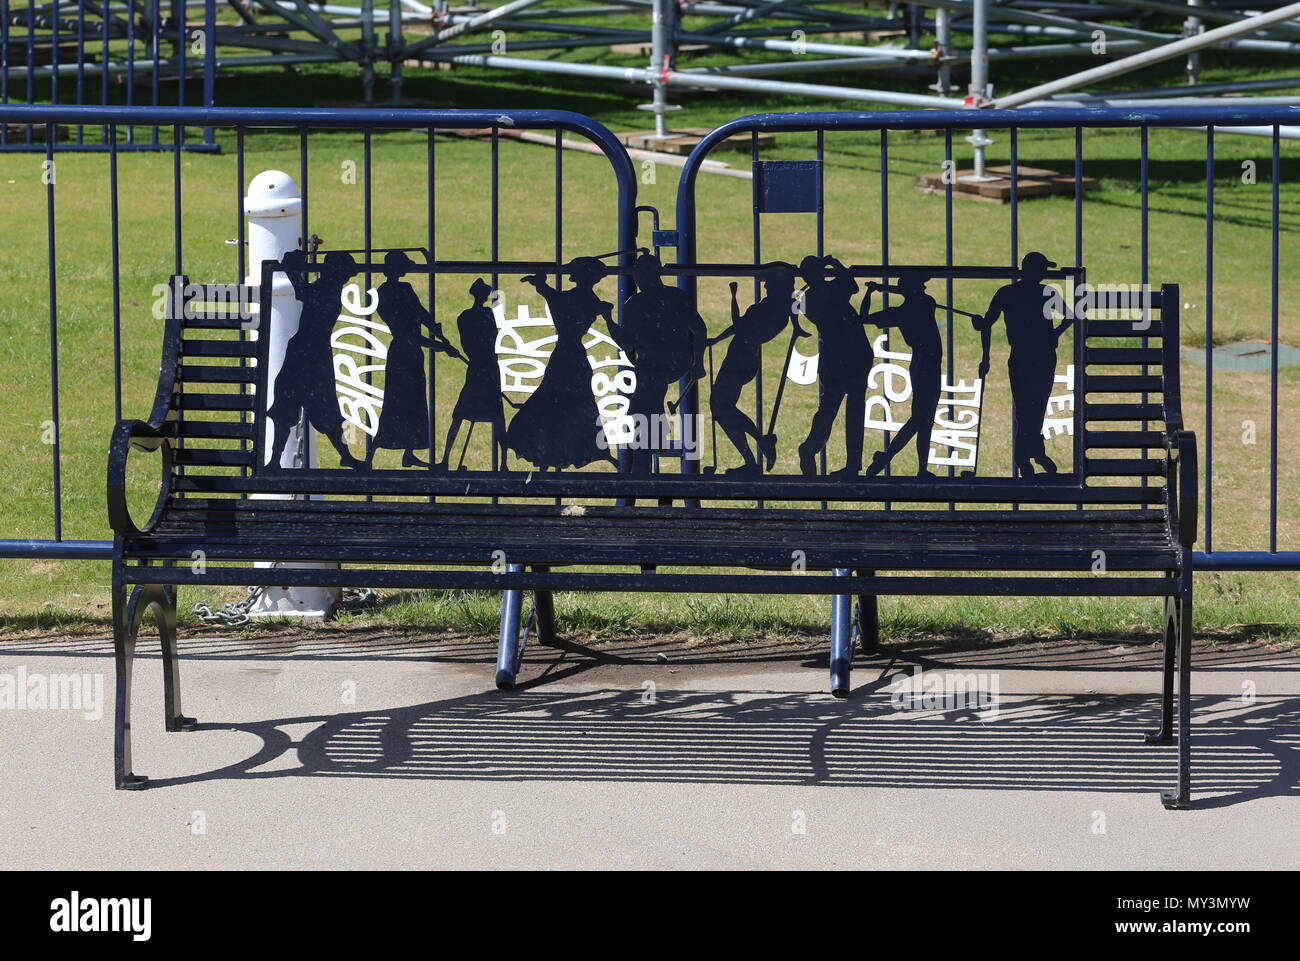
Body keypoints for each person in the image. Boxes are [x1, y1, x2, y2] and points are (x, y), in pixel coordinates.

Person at [506, 257, 618, 470]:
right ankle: (558, 453)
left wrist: (541, 284)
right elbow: (554, 298)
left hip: (565, 356)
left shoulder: (573, 299)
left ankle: (548, 453)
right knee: (572, 405)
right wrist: (542, 285)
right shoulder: (592, 302)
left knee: (556, 403)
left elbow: (553, 298)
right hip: (573, 358)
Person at [975, 251, 1072, 477]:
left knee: (1028, 407)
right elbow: (1070, 316)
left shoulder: (1007, 293)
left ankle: (1030, 453)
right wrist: (1055, 334)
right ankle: (1029, 454)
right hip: (1041, 355)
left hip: (1023, 355)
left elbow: (986, 324)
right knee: (1035, 406)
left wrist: (986, 355)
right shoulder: (1046, 292)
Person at [267, 250, 366, 470]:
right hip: (309, 352)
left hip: (310, 353)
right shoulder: (327, 286)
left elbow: (302, 292)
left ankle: (344, 455)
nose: (345, 279)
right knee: (292, 405)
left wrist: (292, 267)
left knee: (319, 407)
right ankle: (275, 459)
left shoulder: (328, 289)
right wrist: (294, 268)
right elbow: (304, 291)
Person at [707, 265, 808, 474]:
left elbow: (739, 325)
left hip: (739, 359)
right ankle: (754, 455)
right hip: (743, 358)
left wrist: (733, 297)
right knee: (722, 408)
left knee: (720, 407)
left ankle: (759, 446)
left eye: (769, 282)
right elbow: (740, 325)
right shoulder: (776, 309)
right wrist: (716, 340)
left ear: (778, 286)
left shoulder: (770, 310)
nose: (765, 285)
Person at [370, 250, 462, 468]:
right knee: (396, 404)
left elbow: (420, 313)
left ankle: (409, 452)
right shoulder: (385, 293)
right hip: (403, 352)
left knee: (414, 403)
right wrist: (439, 345)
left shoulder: (404, 288)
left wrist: (436, 330)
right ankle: (371, 455)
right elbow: (407, 334)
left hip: (412, 355)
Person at [795, 255, 872, 477]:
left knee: (830, 408)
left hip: (838, 356)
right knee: (852, 409)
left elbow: (849, 286)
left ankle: (812, 448)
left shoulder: (805, 298)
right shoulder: (831, 290)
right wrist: (835, 264)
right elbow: (852, 286)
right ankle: (850, 464)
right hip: (853, 353)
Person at [861, 272, 942, 478]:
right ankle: (887, 458)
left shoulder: (902, 312)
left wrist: (876, 289)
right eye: (921, 286)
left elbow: (865, 318)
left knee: (925, 419)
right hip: (925, 366)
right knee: (920, 419)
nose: (925, 289)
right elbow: (863, 319)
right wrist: (878, 288)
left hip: (926, 364)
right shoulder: (924, 304)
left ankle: (920, 468)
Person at [441, 277, 508, 471]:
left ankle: (446, 459)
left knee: (464, 415)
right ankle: (502, 464)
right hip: (484, 367)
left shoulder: (468, 316)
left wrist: (479, 357)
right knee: (491, 416)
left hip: (481, 366)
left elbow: (472, 342)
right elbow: (487, 340)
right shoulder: (481, 315)